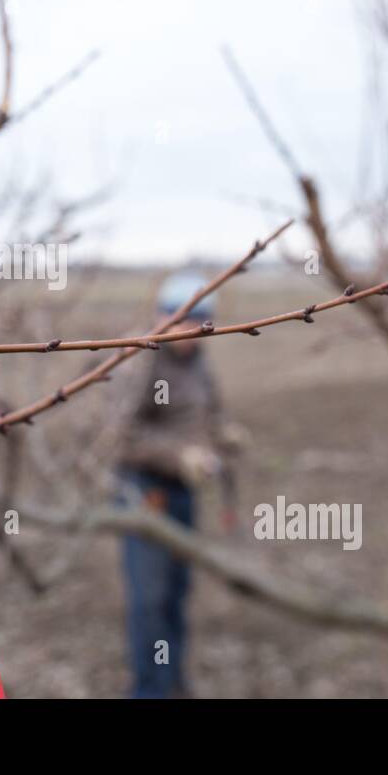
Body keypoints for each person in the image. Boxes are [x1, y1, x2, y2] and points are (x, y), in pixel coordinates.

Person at [113, 271, 237, 698]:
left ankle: (174, 683)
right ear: (163, 317)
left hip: (185, 494)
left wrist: (223, 438)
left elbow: (207, 414)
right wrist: (178, 456)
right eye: (185, 321)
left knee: (177, 594)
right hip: (146, 493)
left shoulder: (197, 362)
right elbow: (122, 434)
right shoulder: (140, 357)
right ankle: (150, 690)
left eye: (202, 324)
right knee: (149, 599)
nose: (193, 333)